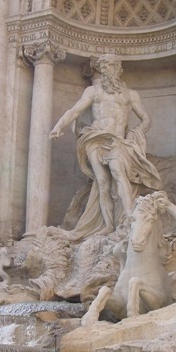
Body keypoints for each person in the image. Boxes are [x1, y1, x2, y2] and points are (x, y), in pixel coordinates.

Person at [50, 54, 162, 238]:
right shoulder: (93, 91)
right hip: (95, 139)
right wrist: (59, 125)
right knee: (102, 182)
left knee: (118, 172)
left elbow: (146, 118)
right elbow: (75, 110)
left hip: (118, 141)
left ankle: (129, 218)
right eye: (106, 67)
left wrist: (136, 134)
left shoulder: (130, 94)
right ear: (102, 70)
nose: (110, 70)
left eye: (113, 66)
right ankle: (109, 225)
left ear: (119, 70)